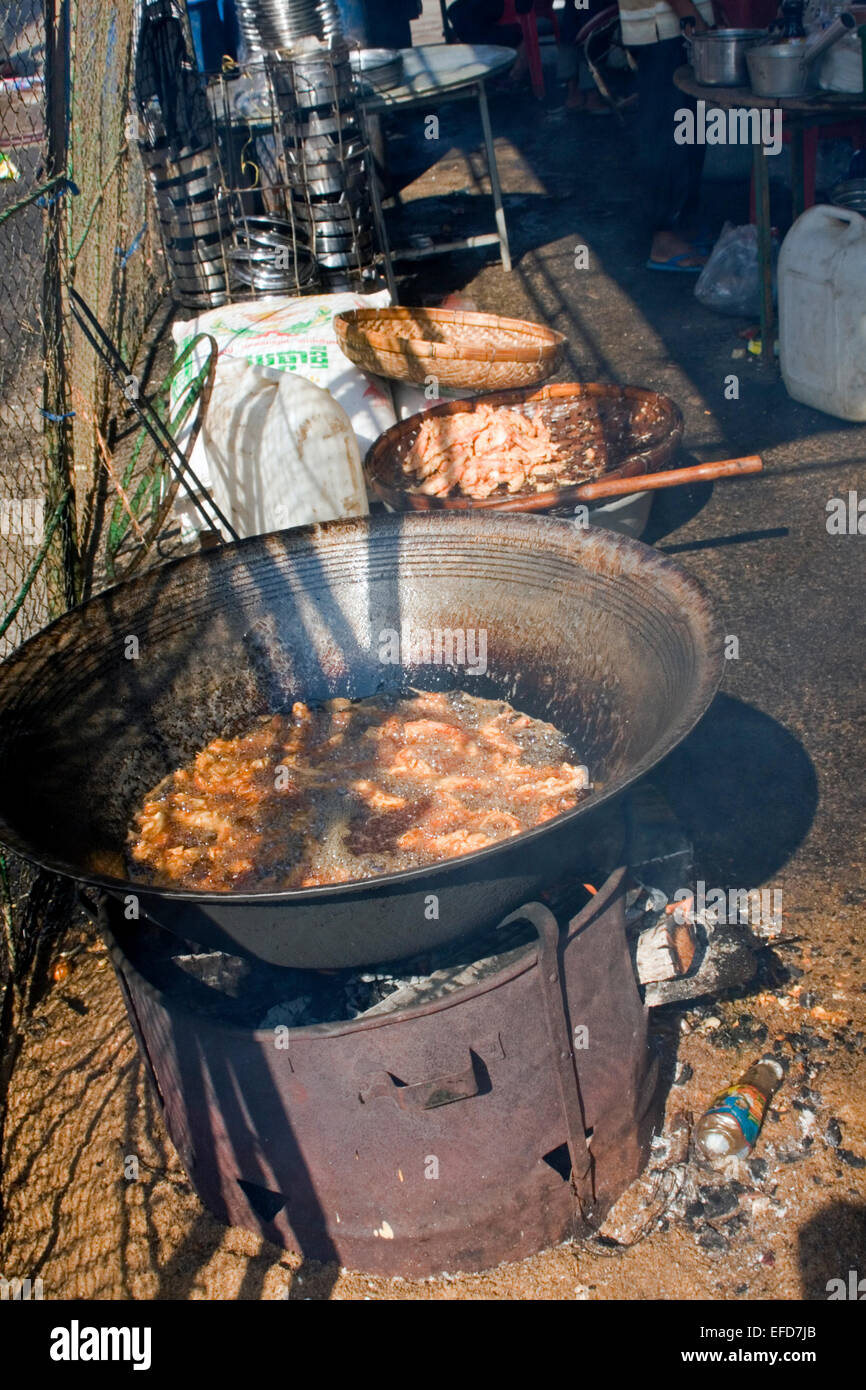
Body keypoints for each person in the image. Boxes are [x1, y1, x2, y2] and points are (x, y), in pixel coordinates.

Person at [617, 0, 715, 270]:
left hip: (676, 23)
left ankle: (680, 224)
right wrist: (688, 13)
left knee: (688, 126)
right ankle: (664, 239)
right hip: (663, 24)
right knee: (666, 131)